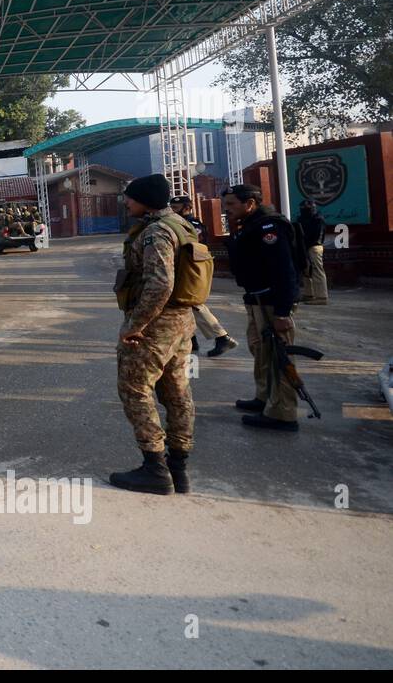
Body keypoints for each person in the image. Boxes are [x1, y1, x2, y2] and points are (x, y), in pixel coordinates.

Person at [109, 174, 196, 496]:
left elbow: (161, 284)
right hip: (181, 322)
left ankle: (154, 468)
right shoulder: (180, 225)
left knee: (134, 389)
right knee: (177, 392)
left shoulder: (156, 232)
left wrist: (136, 325)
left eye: (130, 198)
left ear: (144, 199)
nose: (126, 202)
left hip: (156, 326)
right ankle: (179, 468)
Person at [223, 184, 301, 432]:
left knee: (279, 355)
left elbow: (284, 271)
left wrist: (282, 312)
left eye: (232, 204)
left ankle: (283, 413)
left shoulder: (270, 226)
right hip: (256, 300)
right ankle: (265, 397)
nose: (227, 210)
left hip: (272, 302)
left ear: (250, 203)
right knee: (261, 351)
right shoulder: (250, 225)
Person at [170, 195, 237, 357]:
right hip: (181, 269)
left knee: (192, 303)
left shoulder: (192, 225)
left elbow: (191, 247)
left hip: (191, 269)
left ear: (187, 208)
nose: (173, 211)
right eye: (172, 208)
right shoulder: (177, 224)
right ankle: (191, 340)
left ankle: (221, 336)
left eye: (176, 208)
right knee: (182, 305)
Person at [298, 199, 328, 305]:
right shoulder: (302, 219)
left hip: (315, 246)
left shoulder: (318, 219)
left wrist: (306, 244)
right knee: (306, 270)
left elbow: (316, 236)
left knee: (317, 270)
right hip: (305, 247)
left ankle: (322, 297)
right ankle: (309, 294)